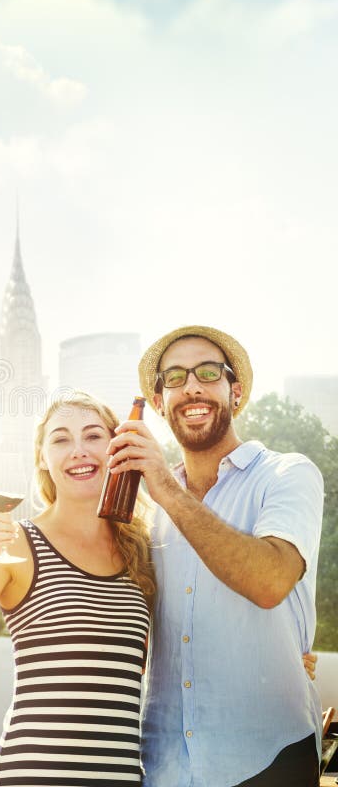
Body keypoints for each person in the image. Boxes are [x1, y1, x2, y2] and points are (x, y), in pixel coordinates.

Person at [106, 325, 323, 787]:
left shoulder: (287, 475)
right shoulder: (147, 513)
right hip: (164, 762)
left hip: (269, 758)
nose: (192, 387)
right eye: (175, 378)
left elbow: (270, 581)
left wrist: (165, 487)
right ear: (160, 403)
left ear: (235, 390)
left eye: (208, 372)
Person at [0, 392, 155, 786]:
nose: (78, 450)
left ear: (115, 447)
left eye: (93, 436)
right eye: (60, 439)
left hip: (120, 777)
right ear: (42, 458)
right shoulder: (17, 542)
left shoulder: (142, 551)